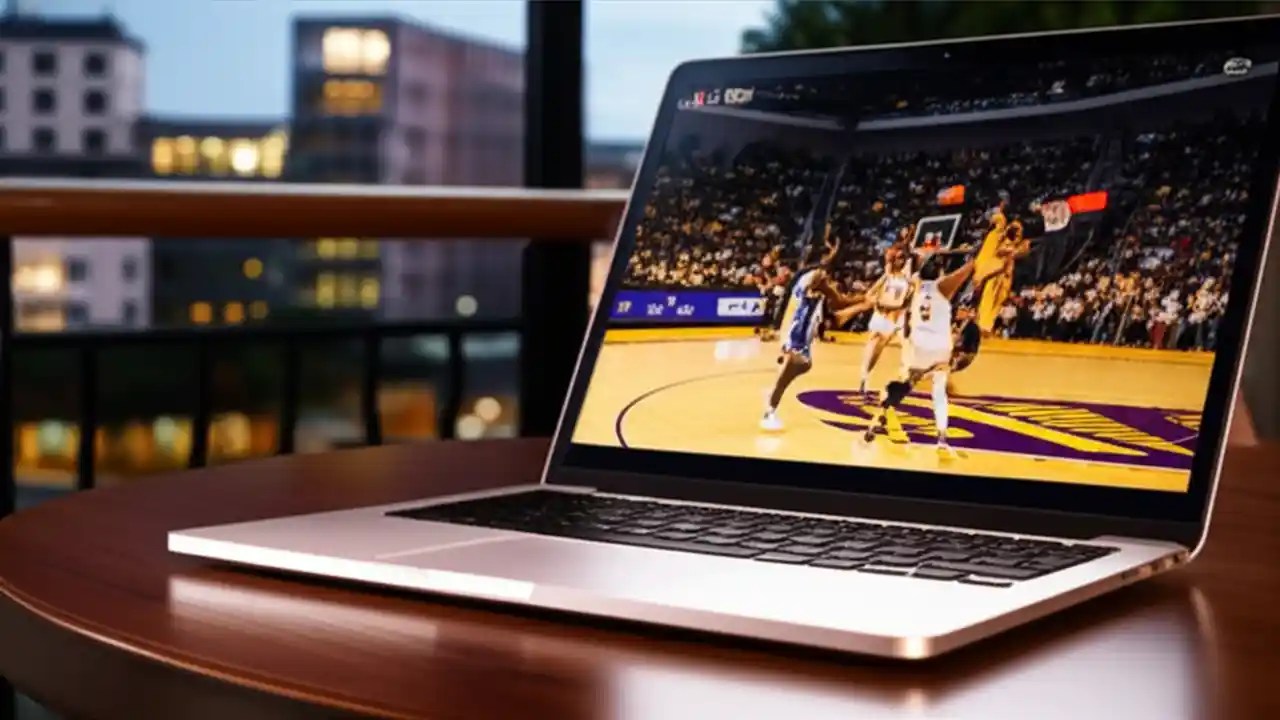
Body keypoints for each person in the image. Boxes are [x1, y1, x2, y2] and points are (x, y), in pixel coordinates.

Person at [861, 254, 976, 457]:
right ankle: (941, 439)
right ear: (939, 272)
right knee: (939, 392)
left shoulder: (915, 284)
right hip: (939, 348)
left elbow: (914, 272)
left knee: (902, 387)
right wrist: (972, 255)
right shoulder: (942, 286)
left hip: (918, 347)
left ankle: (873, 425)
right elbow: (969, 268)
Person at [761, 263, 870, 432]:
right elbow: (839, 300)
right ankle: (769, 411)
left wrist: (863, 303)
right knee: (793, 368)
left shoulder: (815, 295)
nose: (830, 282)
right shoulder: (814, 279)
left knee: (803, 365)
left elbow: (837, 314)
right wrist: (864, 298)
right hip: (794, 338)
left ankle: (772, 396)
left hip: (800, 340)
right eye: (828, 278)